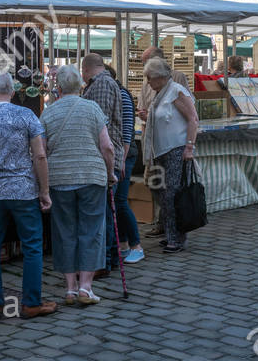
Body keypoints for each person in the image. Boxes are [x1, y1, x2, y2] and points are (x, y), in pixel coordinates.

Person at [0, 72, 56, 320]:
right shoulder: (26, 116)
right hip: (23, 190)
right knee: (32, 246)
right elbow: (40, 156)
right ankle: (31, 303)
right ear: (13, 92)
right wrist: (44, 191)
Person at [40, 66, 115, 305]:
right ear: (81, 86)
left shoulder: (48, 113)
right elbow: (107, 147)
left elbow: (40, 152)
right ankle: (86, 287)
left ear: (58, 88)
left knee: (64, 232)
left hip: (60, 178)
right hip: (92, 176)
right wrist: (111, 173)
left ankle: (70, 289)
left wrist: (42, 185)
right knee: (91, 230)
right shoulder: (92, 108)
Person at [142, 57, 199, 254]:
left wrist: (189, 147)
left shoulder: (176, 91)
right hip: (160, 151)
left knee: (172, 194)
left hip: (176, 149)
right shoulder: (160, 94)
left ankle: (176, 238)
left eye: (149, 77)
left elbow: (192, 119)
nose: (147, 81)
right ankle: (170, 233)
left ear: (160, 77)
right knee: (162, 193)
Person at [81, 52, 124, 272]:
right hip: (105, 155)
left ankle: (104, 261)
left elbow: (99, 124)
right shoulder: (103, 83)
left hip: (103, 156)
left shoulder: (101, 85)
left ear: (85, 69)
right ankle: (111, 258)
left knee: (104, 213)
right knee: (106, 210)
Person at [105, 65, 144, 264]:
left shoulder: (122, 95)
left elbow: (127, 131)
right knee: (116, 202)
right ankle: (124, 244)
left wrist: (120, 162)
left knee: (119, 201)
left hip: (124, 155)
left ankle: (136, 245)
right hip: (116, 155)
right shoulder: (111, 93)